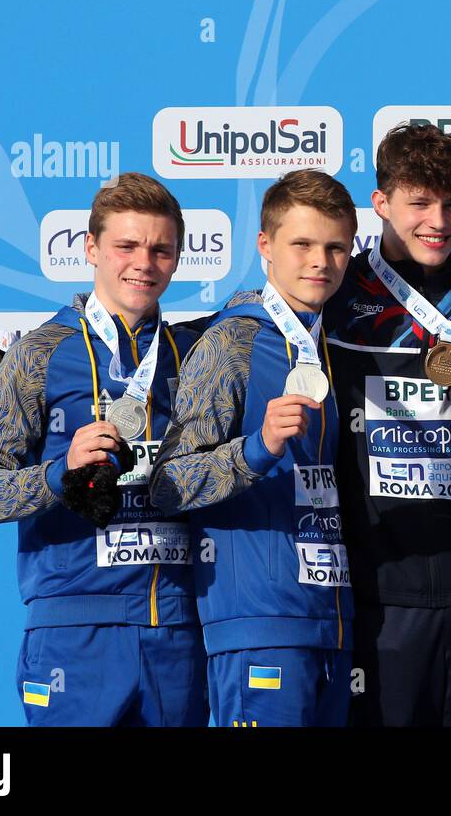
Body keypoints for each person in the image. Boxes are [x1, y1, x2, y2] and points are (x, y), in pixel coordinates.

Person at [0, 172, 208, 726]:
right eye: (126, 245)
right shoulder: (39, 354)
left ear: (177, 258)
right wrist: (58, 472)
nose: (144, 261)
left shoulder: (197, 353)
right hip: (74, 632)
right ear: (91, 249)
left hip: (177, 632)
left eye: (161, 249)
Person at [323, 123, 451, 727]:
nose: (437, 220)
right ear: (381, 204)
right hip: (378, 582)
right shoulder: (337, 291)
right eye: (419, 202)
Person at [151, 170, 356, 727]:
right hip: (257, 624)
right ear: (265, 246)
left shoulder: (330, 342)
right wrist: (257, 448)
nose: (321, 260)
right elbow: (168, 484)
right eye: (303, 244)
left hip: (331, 618)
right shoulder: (231, 341)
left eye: (336, 247)